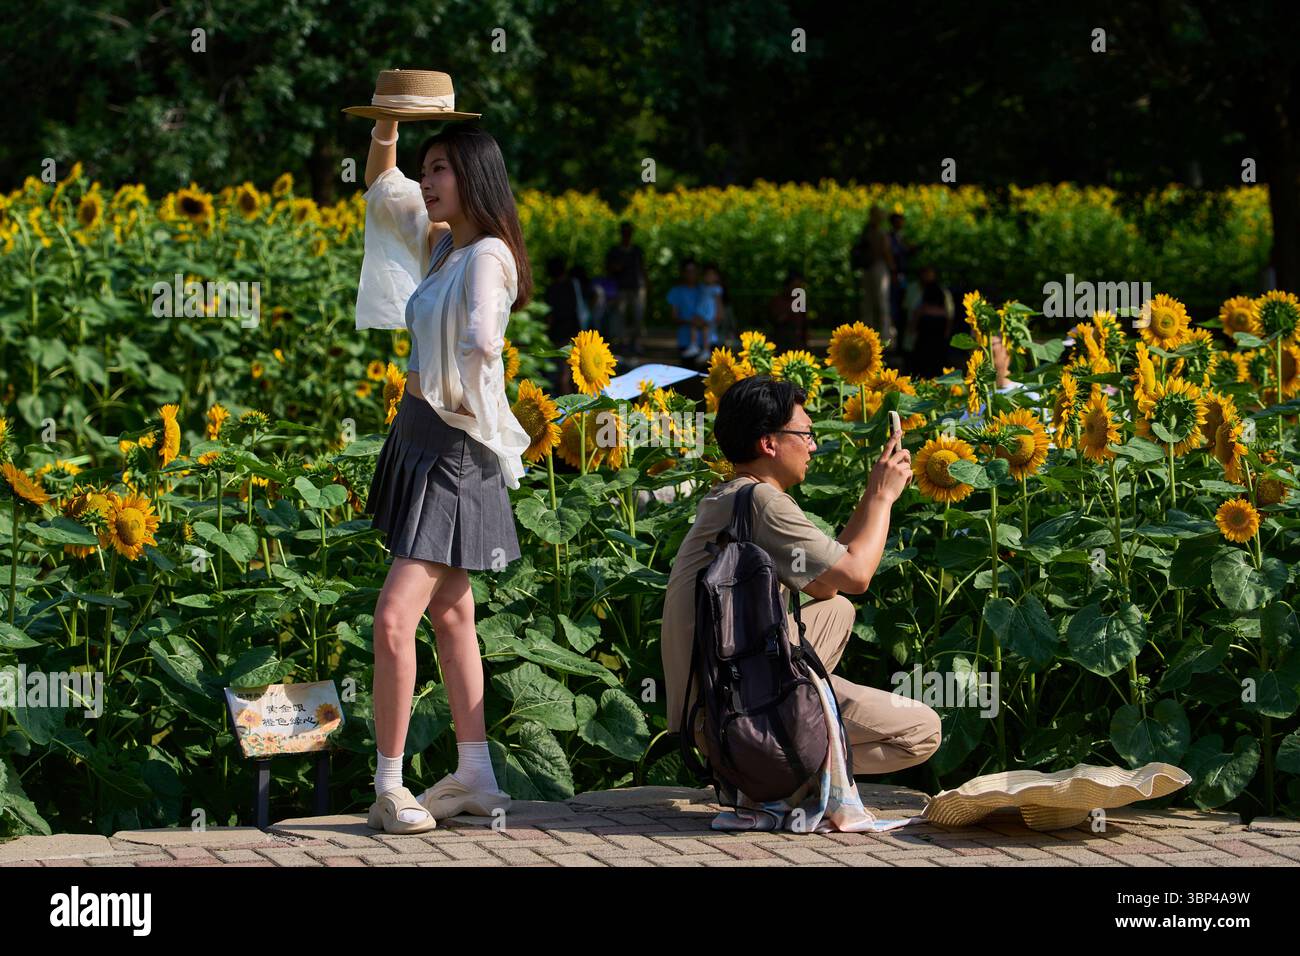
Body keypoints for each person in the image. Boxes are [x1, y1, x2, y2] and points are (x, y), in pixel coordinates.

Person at [358, 116, 530, 833]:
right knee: (452, 614)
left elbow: (488, 325)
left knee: (395, 621)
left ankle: (389, 785)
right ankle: (476, 775)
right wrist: (387, 125)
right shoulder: (441, 246)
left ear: (473, 180)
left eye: (441, 172)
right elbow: (380, 186)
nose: (426, 184)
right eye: (426, 170)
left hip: (454, 447)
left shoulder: (484, 253)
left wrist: (474, 358)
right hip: (419, 436)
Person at [660, 376, 942, 782]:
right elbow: (858, 575)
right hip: (732, 711)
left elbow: (829, 582)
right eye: (805, 434)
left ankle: (789, 733)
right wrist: (883, 498)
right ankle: (789, 761)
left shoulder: (732, 495)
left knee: (836, 608)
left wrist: (870, 493)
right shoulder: (764, 502)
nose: (812, 446)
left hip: (713, 698)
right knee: (921, 731)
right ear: (768, 443)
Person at [852, 206, 895, 348]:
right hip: (877, 267)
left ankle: (870, 334)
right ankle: (883, 334)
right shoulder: (878, 233)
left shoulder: (867, 232)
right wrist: (893, 269)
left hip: (869, 268)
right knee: (881, 302)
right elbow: (885, 251)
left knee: (870, 303)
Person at [903, 264, 955, 378]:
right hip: (926, 340)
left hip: (931, 341)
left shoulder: (941, 292)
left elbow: (949, 317)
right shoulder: (912, 290)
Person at [606, 221, 648, 355]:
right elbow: (608, 268)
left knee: (638, 317)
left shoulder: (637, 250)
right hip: (621, 288)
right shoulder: (614, 251)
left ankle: (635, 343)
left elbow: (643, 268)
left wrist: (646, 284)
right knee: (620, 317)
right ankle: (622, 343)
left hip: (637, 288)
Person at [667, 257, 717, 362]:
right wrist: (692, 322)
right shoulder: (676, 291)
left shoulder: (706, 289)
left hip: (708, 341)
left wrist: (705, 322)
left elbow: (719, 313)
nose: (691, 274)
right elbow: (674, 317)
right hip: (685, 342)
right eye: (688, 271)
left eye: (694, 271)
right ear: (683, 273)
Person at [543, 256, 580, 394]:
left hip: (559, 334)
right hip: (574, 332)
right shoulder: (572, 285)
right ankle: (582, 407)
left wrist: (546, 333)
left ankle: (569, 408)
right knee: (577, 373)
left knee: (563, 374)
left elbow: (549, 315)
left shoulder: (551, 290)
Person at [769, 268, 808, 351]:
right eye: (795, 286)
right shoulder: (778, 300)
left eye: (799, 287)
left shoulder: (800, 300)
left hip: (798, 342)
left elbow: (803, 322)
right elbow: (777, 321)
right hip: (782, 341)